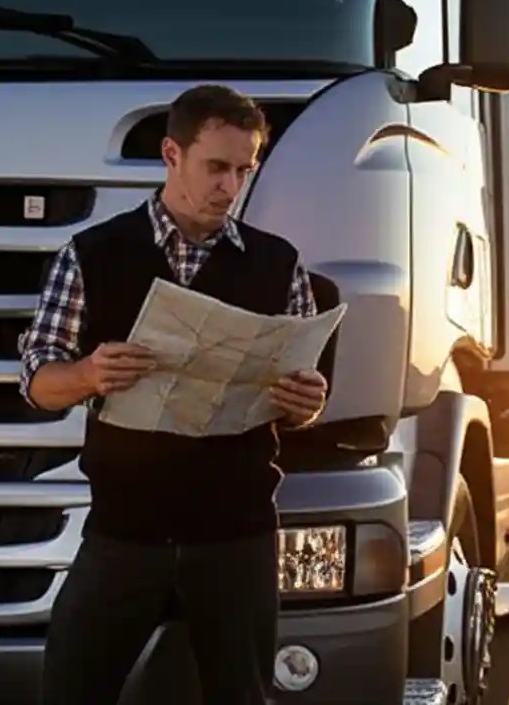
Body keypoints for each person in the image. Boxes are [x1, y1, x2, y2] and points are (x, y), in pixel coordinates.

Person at [17, 84, 327, 705]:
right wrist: (88, 375)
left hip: (235, 535)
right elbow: (37, 383)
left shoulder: (277, 263)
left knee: (241, 696)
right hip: (125, 533)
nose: (230, 187)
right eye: (216, 167)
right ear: (171, 153)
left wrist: (307, 399)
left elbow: (303, 397)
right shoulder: (92, 254)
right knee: (71, 690)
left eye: (245, 169)